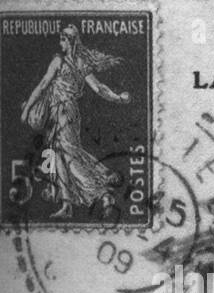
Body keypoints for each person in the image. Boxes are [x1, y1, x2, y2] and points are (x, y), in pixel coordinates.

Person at [20, 24, 131, 219]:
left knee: (69, 157)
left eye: (63, 39)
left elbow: (43, 84)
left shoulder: (60, 61)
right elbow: (99, 88)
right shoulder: (79, 62)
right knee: (60, 154)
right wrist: (118, 98)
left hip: (63, 113)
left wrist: (28, 108)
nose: (60, 43)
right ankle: (67, 203)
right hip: (61, 113)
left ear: (69, 41)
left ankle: (101, 192)